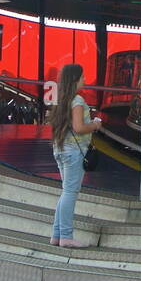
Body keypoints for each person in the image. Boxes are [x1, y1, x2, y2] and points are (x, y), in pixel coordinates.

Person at [48, 63, 102, 249]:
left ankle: (57, 234)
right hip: (73, 152)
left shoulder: (61, 99)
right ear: (75, 79)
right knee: (70, 193)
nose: (85, 79)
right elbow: (79, 128)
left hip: (61, 149)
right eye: (82, 76)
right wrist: (95, 125)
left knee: (65, 192)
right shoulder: (77, 101)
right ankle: (66, 237)